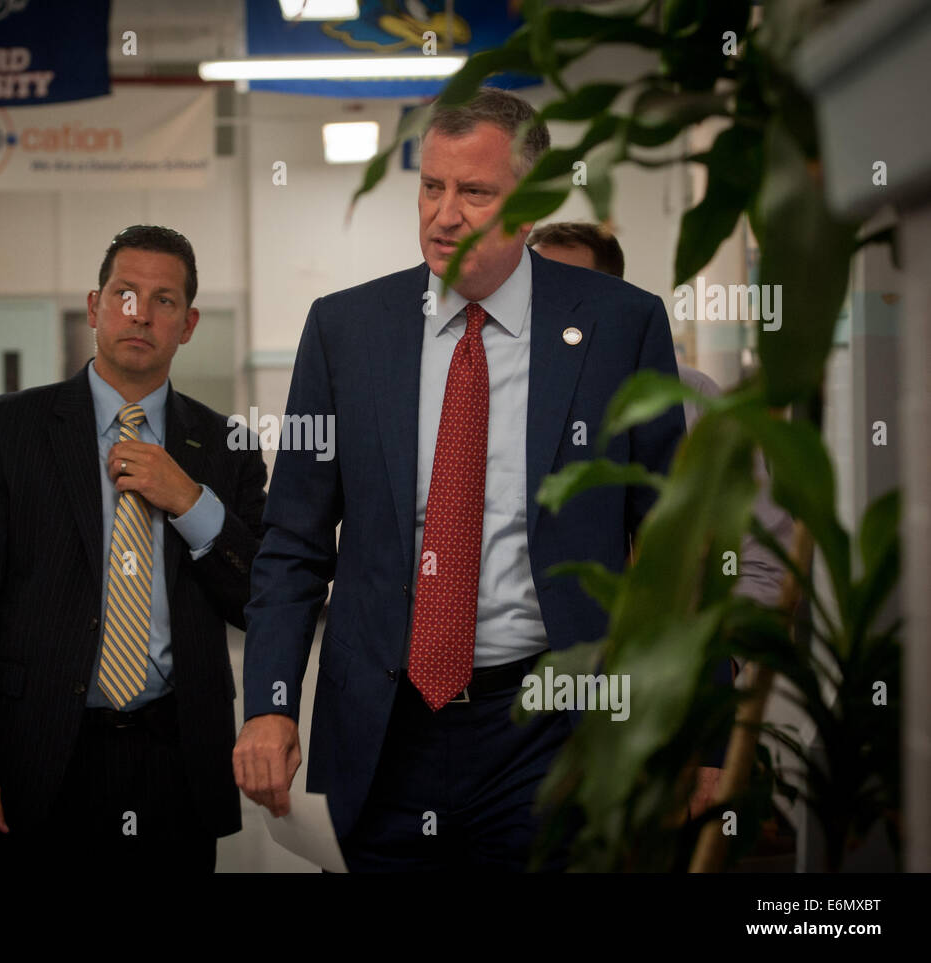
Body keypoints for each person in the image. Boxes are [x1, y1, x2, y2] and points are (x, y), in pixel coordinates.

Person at [233, 89, 689, 871]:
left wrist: (700, 729)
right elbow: (294, 540)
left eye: (475, 192)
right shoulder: (346, 330)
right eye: (432, 186)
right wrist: (270, 702)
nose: (445, 214)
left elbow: (674, 538)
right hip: (385, 729)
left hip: (549, 727)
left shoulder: (619, 325)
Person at [0, 225, 268, 873]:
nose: (141, 313)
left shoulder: (228, 448)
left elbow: (259, 598)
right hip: (36, 751)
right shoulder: (3, 431)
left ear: (188, 323)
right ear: (93, 307)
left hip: (176, 758)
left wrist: (190, 501)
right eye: (125, 292)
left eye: (164, 300)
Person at [530, 221, 794, 618]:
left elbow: (761, 560)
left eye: (568, 297)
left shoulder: (693, 400)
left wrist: (720, 660)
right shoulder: (492, 402)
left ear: (612, 303)